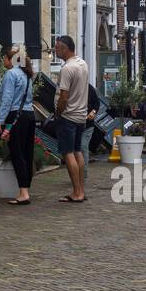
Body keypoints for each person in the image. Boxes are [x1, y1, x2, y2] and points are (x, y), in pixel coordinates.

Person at [49, 35, 97, 203]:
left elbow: (63, 96)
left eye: (58, 47)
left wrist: (57, 113)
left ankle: (77, 192)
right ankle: (81, 190)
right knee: (78, 152)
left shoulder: (67, 69)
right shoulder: (83, 64)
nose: (56, 50)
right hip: (80, 117)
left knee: (68, 153)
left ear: (65, 48)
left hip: (68, 116)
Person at [0, 44, 36, 206]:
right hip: (29, 115)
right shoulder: (27, 75)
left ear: (10, 59)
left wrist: (0, 121)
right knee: (27, 153)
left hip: (14, 117)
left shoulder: (11, 74)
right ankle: (25, 189)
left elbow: (7, 99)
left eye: (4, 57)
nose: (3, 60)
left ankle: (24, 192)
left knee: (17, 153)